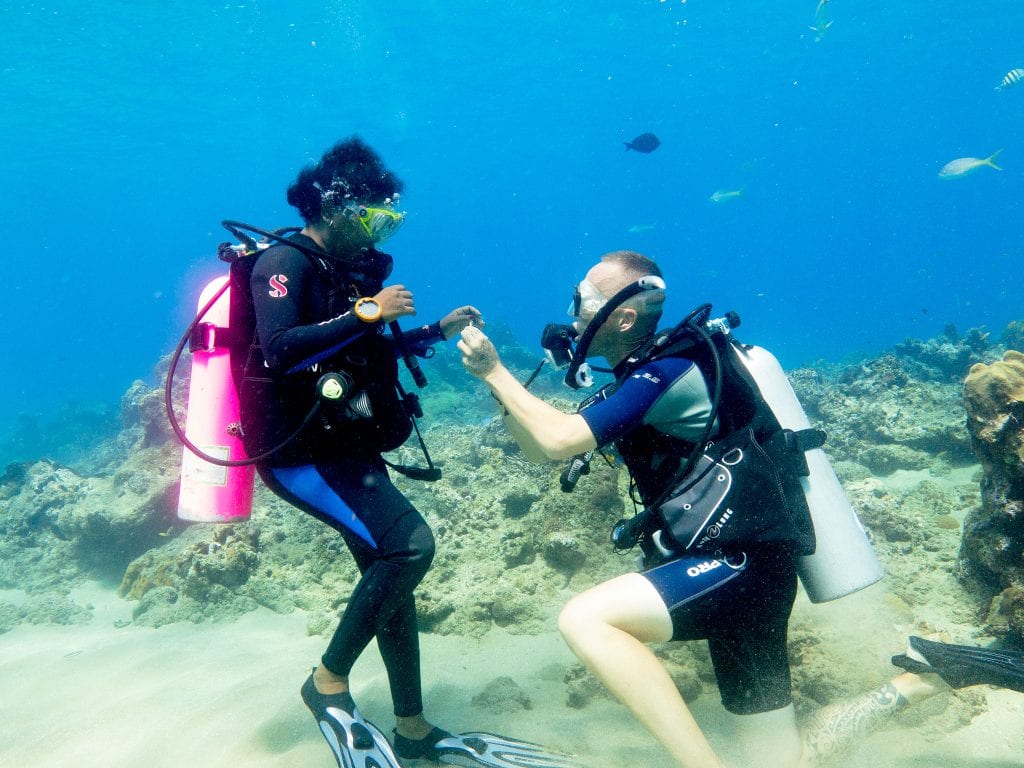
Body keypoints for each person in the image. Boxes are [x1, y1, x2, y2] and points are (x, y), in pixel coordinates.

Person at [457, 249, 1024, 767]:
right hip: (756, 573)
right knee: (781, 762)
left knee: (585, 619)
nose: (571, 312)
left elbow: (559, 439)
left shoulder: (669, 371)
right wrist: (496, 389)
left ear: (623, 319)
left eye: (580, 299)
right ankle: (928, 678)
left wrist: (495, 371)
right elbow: (542, 448)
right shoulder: (650, 373)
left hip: (739, 568)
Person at [236, 137, 577, 768]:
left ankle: (414, 729)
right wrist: (370, 310)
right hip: (300, 452)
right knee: (409, 547)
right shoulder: (284, 262)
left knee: (389, 578)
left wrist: (429, 333)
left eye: (390, 217)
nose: (382, 227)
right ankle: (329, 681)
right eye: (374, 213)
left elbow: (357, 352)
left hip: (345, 443)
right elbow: (282, 350)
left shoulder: (342, 269)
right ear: (334, 205)